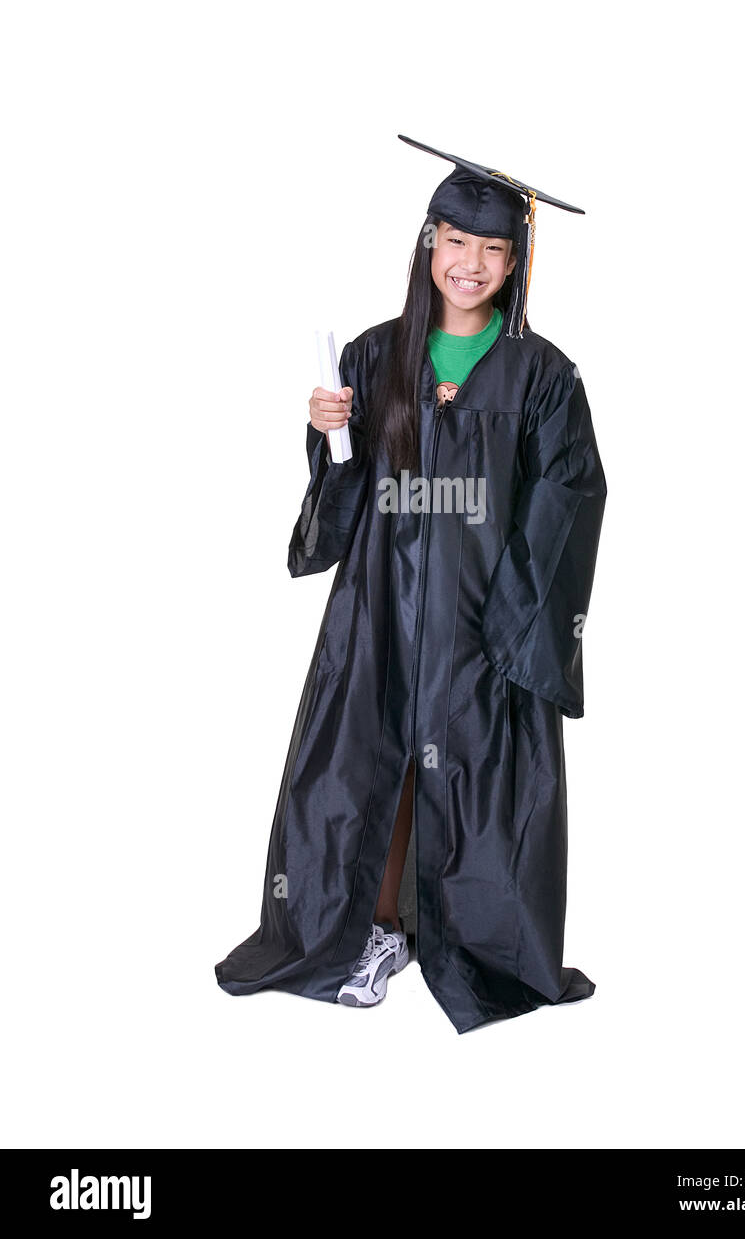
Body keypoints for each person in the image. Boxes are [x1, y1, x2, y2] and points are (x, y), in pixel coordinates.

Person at [215, 134, 608, 1034]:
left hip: (485, 617)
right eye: (455, 242)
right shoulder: (371, 353)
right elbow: (347, 492)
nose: (470, 264)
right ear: (427, 243)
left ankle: (466, 939)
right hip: (377, 610)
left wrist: (517, 622)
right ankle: (370, 929)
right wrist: (330, 435)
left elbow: (572, 493)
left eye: (493, 249)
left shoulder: (544, 376)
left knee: (470, 772)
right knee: (368, 766)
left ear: (515, 263)